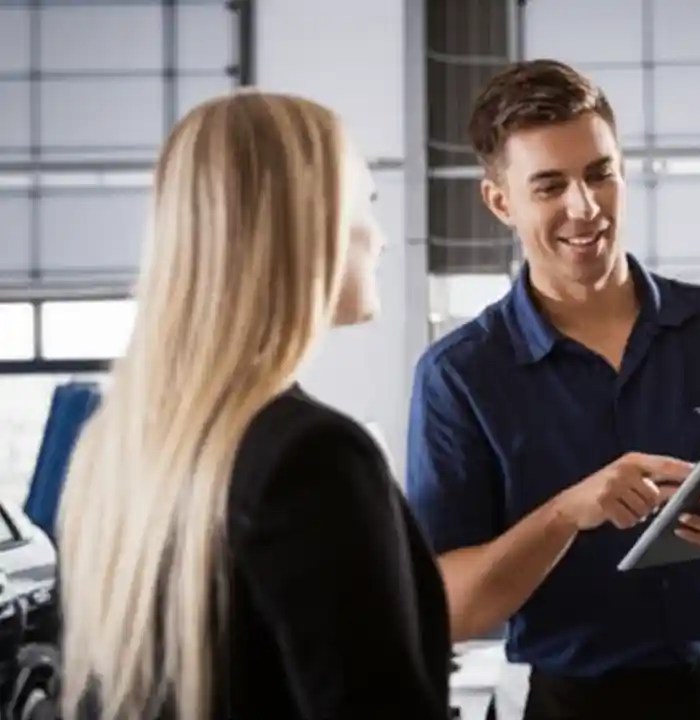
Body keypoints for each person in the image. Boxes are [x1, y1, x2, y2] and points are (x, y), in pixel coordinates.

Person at [407, 59, 700, 720]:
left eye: (600, 173)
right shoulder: (460, 377)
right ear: (500, 201)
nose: (585, 206)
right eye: (549, 186)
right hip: (582, 704)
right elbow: (451, 611)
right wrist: (566, 513)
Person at [57, 91, 452, 720]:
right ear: (307, 224)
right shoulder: (310, 458)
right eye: (365, 206)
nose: (379, 240)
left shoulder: (118, 451)